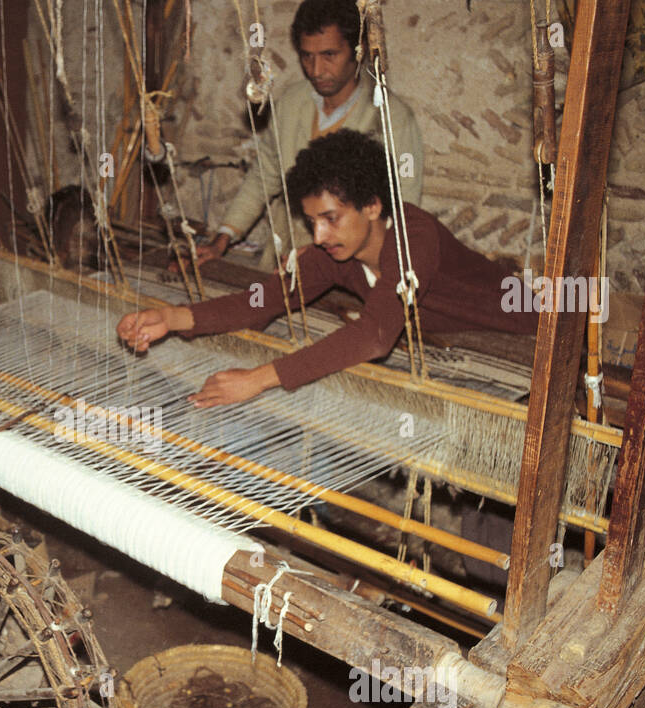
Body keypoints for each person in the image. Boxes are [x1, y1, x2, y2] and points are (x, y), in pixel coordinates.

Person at [118, 130, 536, 406]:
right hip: (456, 339)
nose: (317, 236)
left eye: (330, 218)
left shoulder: (414, 238)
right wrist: (173, 317)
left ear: (372, 206)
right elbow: (263, 298)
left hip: (523, 328)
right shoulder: (337, 249)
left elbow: (374, 336)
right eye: (311, 221)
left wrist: (259, 378)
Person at [192, 0, 423, 272]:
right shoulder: (291, 103)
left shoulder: (391, 118)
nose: (316, 70)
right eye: (307, 56)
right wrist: (223, 238)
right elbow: (263, 176)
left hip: (353, 270)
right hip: (285, 259)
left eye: (329, 55)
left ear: (357, 52)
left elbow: (403, 211)